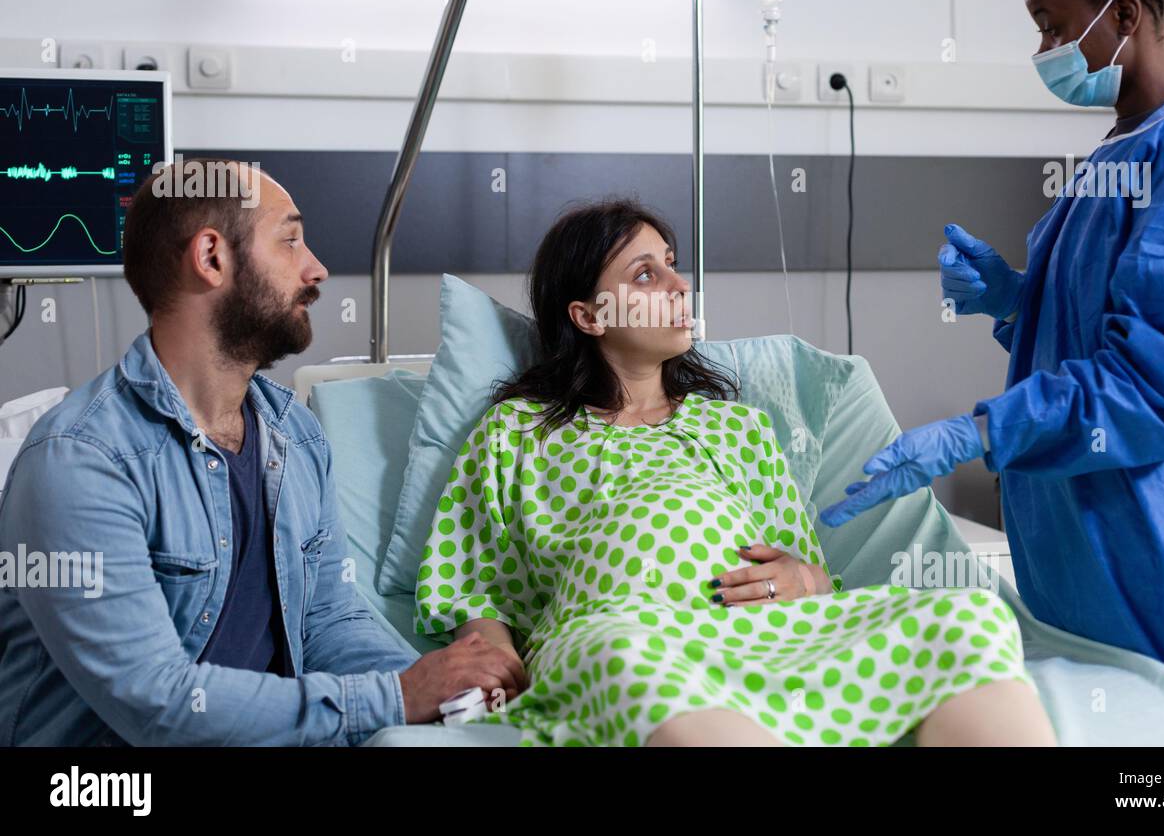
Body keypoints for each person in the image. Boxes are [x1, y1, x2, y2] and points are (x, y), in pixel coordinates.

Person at [820, 0, 1164, 731]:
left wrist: (980, 431)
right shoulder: (1115, 158)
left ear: (1122, 16)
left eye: (1052, 24)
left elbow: (1151, 386)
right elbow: (1093, 341)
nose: (1042, 46)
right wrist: (1015, 301)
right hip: (1098, 573)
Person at [411, 198, 1057, 746]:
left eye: (672, 265)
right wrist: (490, 663)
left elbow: (804, 572)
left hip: (767, 638)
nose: (679, 286)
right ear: (588, 316)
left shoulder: (735, 426)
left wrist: (806, 581)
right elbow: (477, 588)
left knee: (966, 620)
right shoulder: (520, 431)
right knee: (631, 667)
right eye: (644, 275)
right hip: (622, 636)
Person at [0, 158, 524, 745]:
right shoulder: (81, 460)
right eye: (291, 241)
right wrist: (395, 697)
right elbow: (157, 704)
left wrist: (444, 684)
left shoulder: (294, 436)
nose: (317, 268)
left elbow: (326, 619)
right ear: (212, 258)